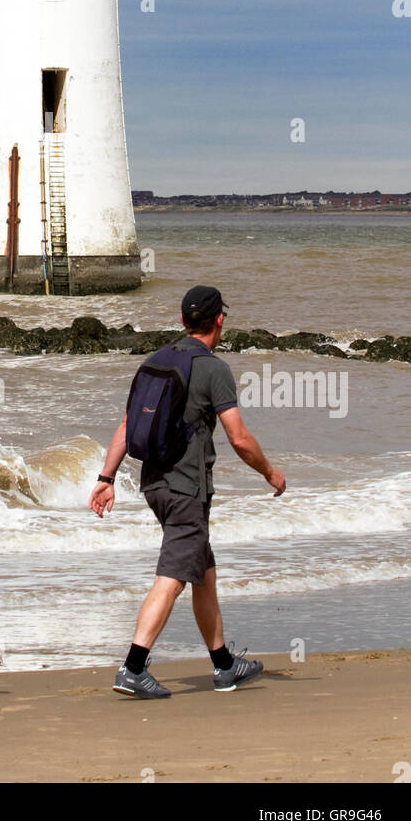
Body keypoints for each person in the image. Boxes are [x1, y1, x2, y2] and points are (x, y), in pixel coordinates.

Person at [89, 285, 286, 697]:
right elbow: (240, 438)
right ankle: (132, 667)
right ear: (219, 320)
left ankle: (224, 666)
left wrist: (106, 479)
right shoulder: (213, 369)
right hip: (186, 489)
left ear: (182, 321)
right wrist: (270, 473)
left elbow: (128, 426)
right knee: (174, 576)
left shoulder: (154, 361)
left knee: (203, 573)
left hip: (155, 485)